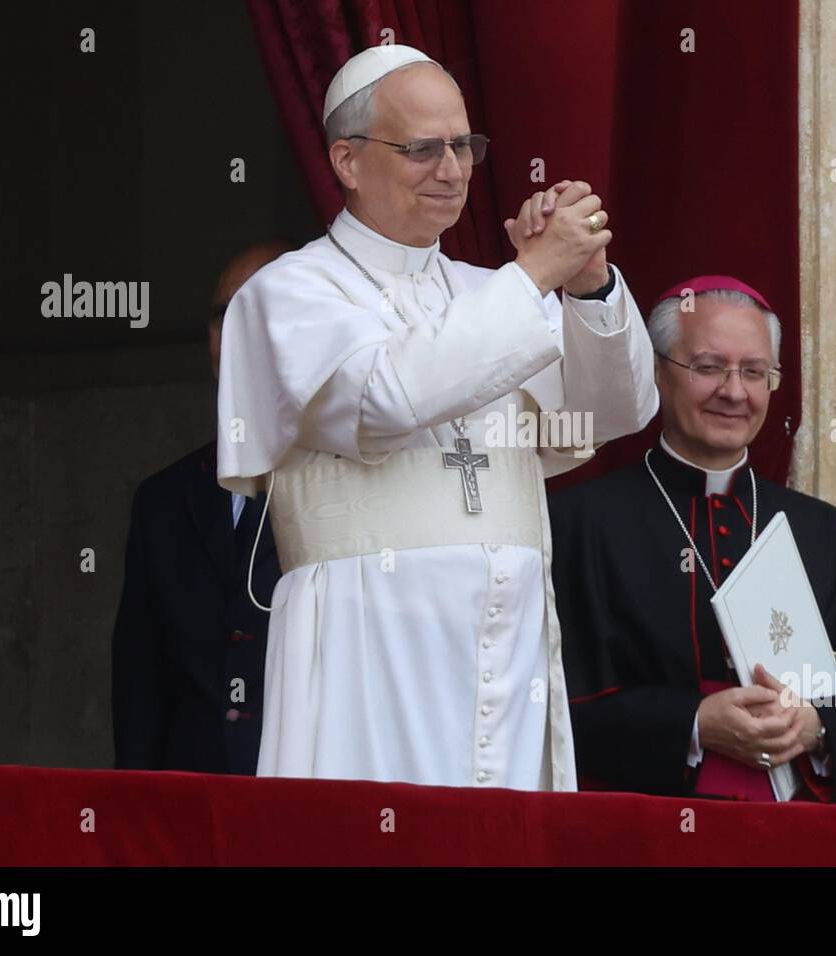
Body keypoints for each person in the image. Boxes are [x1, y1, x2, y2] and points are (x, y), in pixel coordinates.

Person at [216, 45, 657, 789]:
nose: (452, 171)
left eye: (463, 146)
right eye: (423, 149)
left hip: (508, 644)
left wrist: (585, 288)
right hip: (366, 642)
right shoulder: (289, 294)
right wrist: (535, 275)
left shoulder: (493, 292)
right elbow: (380, 400)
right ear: (348, 161)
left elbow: (604, 416)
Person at [550, 275, 836, 801]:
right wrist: (692, 723)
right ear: (658, 373)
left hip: (794, 842)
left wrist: (815, 724)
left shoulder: (830, 536)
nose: (734, 392)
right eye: (708, 367)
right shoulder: (578, 522)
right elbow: (547, 703)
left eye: (754, 372)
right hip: (638, 836)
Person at [112, 242, 289, 774]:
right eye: (222, 316)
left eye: (258, 312)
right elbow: (140, 685)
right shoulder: (163, 501)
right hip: (189, 818)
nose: (234, 334)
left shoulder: (362, 481)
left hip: (313, 800)